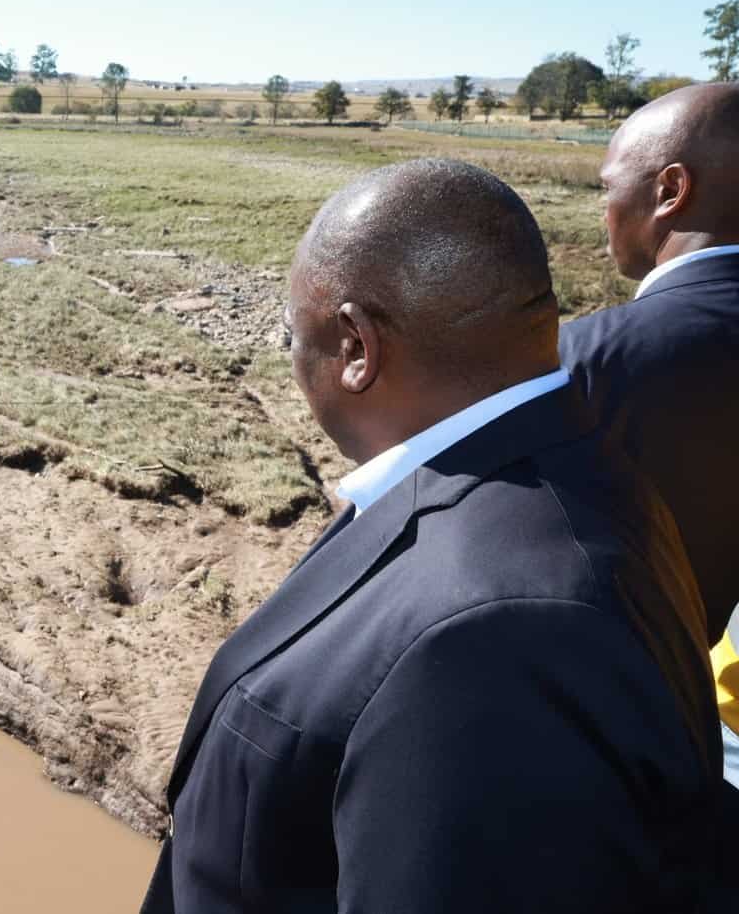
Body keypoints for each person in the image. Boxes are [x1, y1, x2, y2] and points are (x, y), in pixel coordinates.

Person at [143, 159, 719, 913]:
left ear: (356, 347)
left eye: (296, 335)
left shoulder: (500, 639)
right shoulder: (564, 468)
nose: (291, 360)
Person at [557, 82, 739, 786]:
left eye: (609, 187)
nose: (603, 211)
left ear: (670, 190)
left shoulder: (582, 360)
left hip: (607, 746)